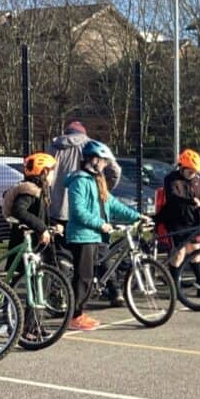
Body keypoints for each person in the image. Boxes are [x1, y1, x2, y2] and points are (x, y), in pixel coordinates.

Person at [64, 141, 142, 331]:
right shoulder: (79, 181)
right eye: (104, 161)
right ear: (94, 160)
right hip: (83, 236)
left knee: (95, 274)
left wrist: (137, 216)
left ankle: (81, 310)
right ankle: (74, 316)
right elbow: (78, 211)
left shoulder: (97, 180)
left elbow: (112, 204)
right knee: (83, 277)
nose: (106, 164)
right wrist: (101, 224)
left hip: (97, 236)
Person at [49, 120, 124, 306]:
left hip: (58, 209)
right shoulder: (91, 146)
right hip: (87, 211)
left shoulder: (54, 147)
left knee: (62, 256)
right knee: (100, 251)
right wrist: (102, 191)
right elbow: (115, 170)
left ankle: (60, 294)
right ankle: (114, 290)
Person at [159, 149, 200, 298]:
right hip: (176, 220)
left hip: (193, 220)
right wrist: (190, 201)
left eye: (195, 172)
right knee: (179, 252)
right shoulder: (171, 179)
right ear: (182, 168)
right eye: (190, 171)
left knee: (195, 251)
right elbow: (173, 197)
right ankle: (174, 286)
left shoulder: (196, 180)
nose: (193, 174)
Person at [2, 152, 60, 274]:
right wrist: (42, 228)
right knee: (25, 276)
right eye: (52, 171)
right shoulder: (29, 191)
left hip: (34, 240)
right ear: (44, 172)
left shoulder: (39, 190)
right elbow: (19, 210)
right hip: (24, 240)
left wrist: (54, 224)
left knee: (37, 274)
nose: (54, 175)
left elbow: (40, 214)